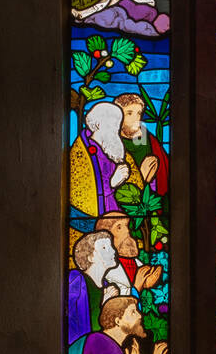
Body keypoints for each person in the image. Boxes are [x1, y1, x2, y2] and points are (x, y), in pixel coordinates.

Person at [69, 102, 130, 257]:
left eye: (117, 124)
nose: (116, 129)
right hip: (94, 219)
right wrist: (112, 183)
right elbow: (81, 192)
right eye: (112, 124)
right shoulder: (81, 152)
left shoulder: (109, 149)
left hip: (111, 213)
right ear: (97, 124)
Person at [113, 92, 169, 197]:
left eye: (138, 113)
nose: (136, 118)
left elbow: (164, 174)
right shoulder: (110, 141)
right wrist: (141, 176)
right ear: (118, 116)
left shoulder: (149, 139)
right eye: (129, 113)